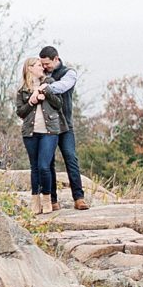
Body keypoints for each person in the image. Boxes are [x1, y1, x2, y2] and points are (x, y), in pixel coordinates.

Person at [37, 46, 89, 210]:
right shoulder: (41, 73)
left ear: (56, 59)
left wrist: (45, 88)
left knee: (70, 158)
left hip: (65, 124)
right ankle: (52, 201)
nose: (45, 67)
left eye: (47, 63)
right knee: (48, 162)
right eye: (42, 64)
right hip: (47, 125)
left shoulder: (69, 73)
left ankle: (79, 198)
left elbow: (63, 87)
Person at [15, 56, 66, 215]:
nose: (42, 68)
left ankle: (47, 200)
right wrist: (31, 101)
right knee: (35, 168)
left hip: (49, 131)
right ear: (29, 68)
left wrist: (47, 93)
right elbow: (20, 113)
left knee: (44, 166)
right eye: (38, 65)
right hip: (30, 132)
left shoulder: (50, 83)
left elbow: (59, 104)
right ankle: (35, 202)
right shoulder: (22, 90)